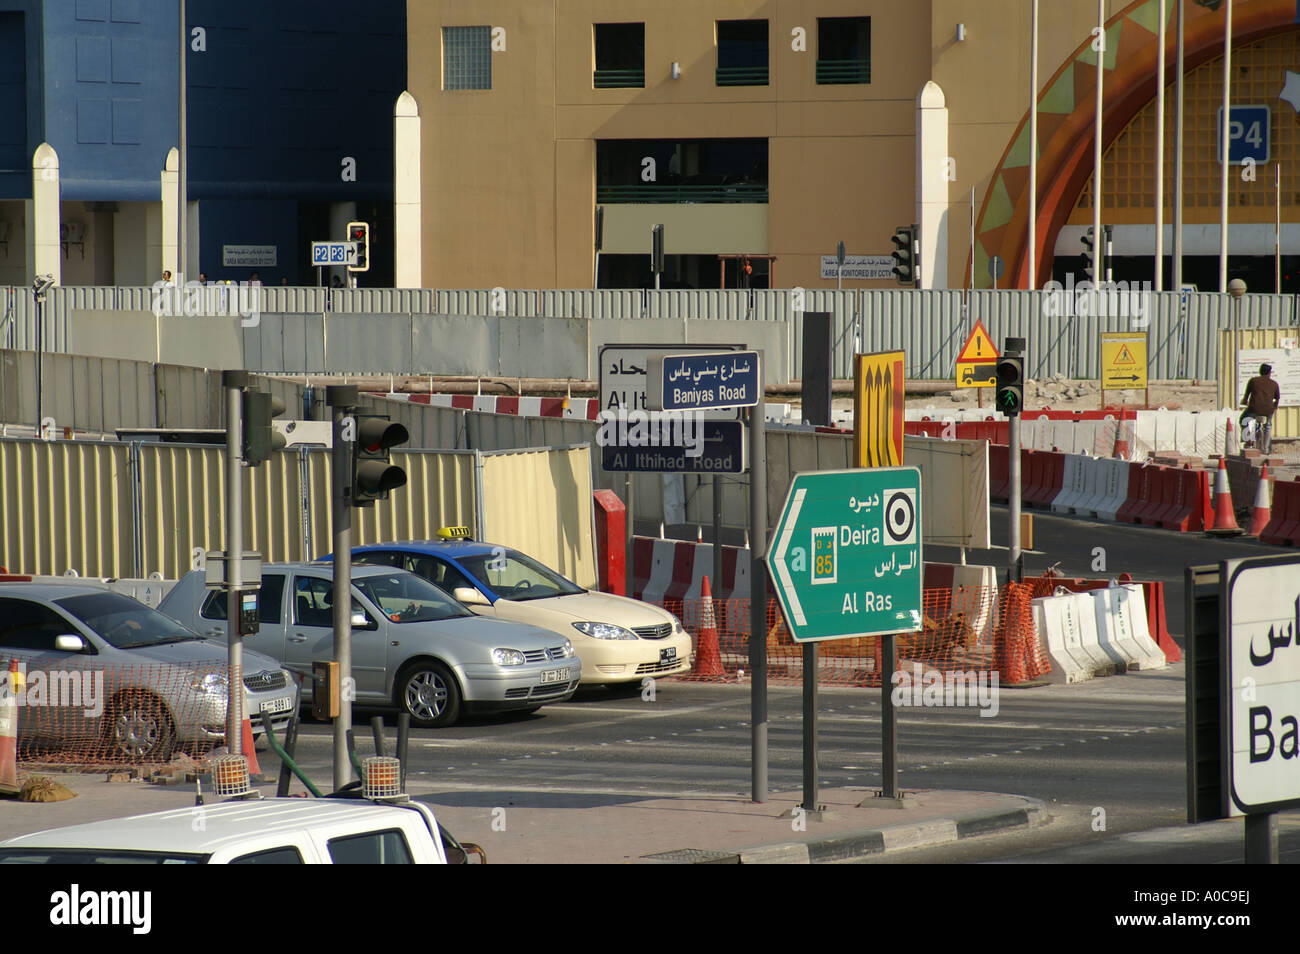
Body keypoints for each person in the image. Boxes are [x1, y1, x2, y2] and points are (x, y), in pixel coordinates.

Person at [1241, 363, 1281, 454]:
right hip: (1268, 410)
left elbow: (1247, 395)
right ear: (1269, 373)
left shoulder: (1253, 381)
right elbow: (1277, 398)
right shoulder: (1274, 384)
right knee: (1268, 426)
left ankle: (1248, 440)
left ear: (1260, 371)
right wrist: (1274, 407)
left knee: (1244, 419)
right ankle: (1266, 448)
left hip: (1254, 409)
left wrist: (1245, 402)